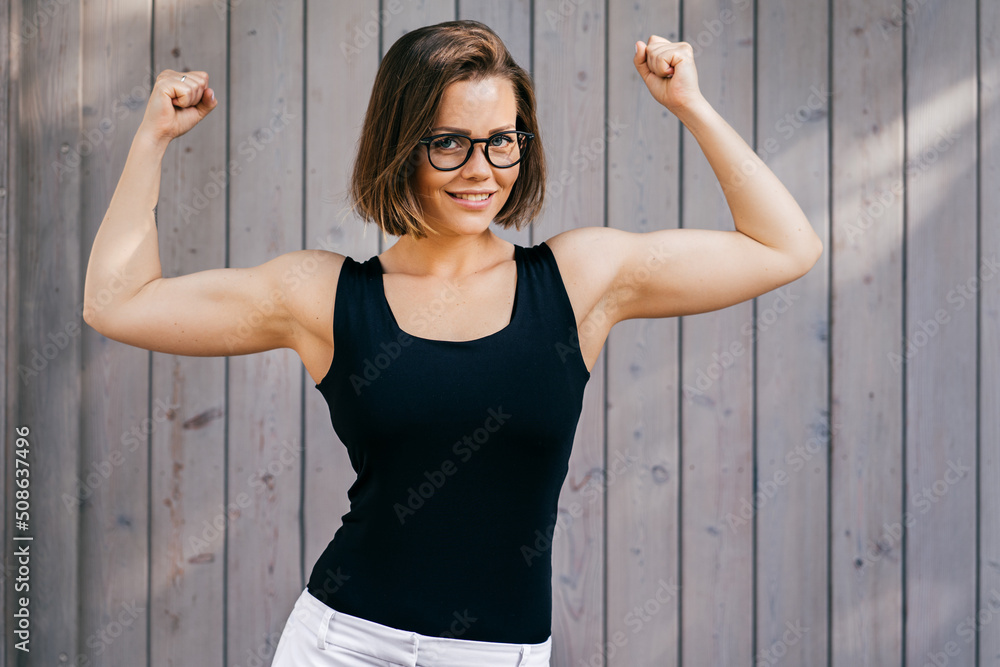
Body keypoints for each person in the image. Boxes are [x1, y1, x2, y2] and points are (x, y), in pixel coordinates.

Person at [83, 19, 822, 667]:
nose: (482, 170)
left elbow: (784, 246)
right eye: (449, 143)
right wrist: (151, 138)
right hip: (342, 642)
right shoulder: (322, 295)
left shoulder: (581, 278)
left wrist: (689, 105)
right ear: (401, 146)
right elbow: (119, 303)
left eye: (503, 141)